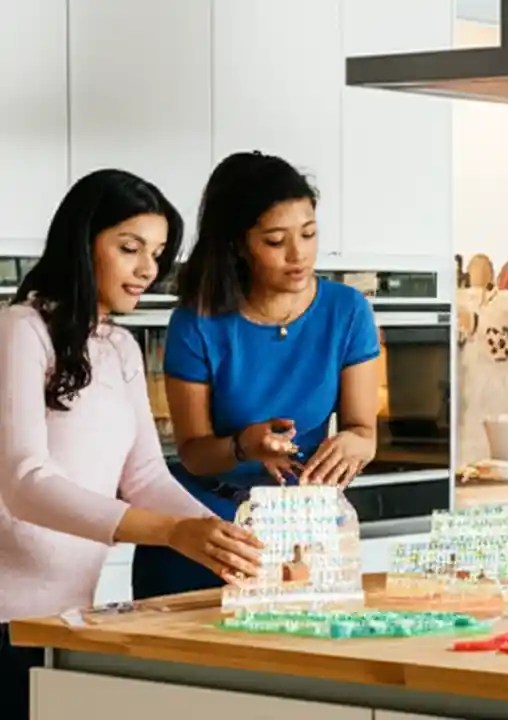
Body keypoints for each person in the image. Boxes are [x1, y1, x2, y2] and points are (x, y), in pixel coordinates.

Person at [0, 170, 262, 711]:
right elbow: (25, 483)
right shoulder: (20, 330)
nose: (148, 269)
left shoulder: (119, 346)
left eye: (159, 252)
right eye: (129, 248)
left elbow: (143, 476)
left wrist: (220, 536)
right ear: (82, 240)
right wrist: (170, 532)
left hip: (68, 615)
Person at [131, 152, 381, 599]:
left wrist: (352, 444)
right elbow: (193, 455)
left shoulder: (347, 311)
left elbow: (364, 432)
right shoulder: (198, 323)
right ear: (238, 244)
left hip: (297, 530)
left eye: (308, 234)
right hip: (204, 525)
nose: (298, 254)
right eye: (275, 241)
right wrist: (244, 444)